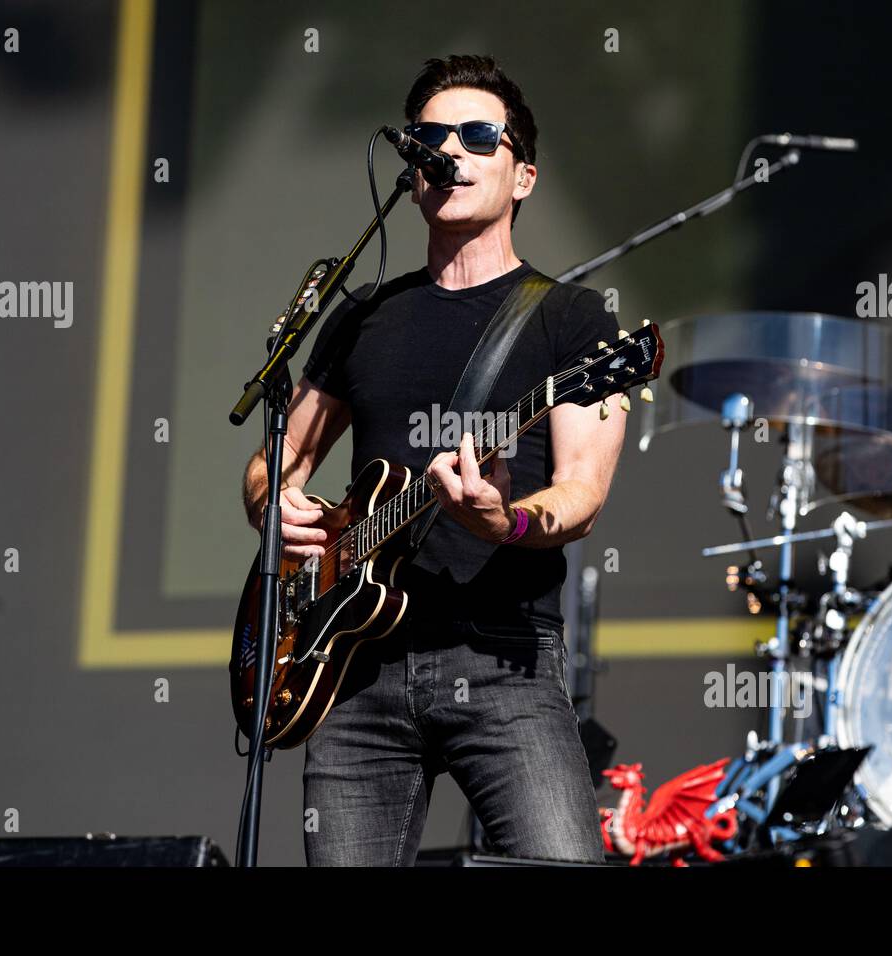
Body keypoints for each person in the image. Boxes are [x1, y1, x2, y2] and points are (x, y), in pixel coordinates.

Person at [243, 54, 627, 865]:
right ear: (412, 169)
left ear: (522, 175)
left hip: (501, 660)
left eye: (478, 135)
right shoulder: (364, 315)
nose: (448, 149)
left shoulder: (571, 321)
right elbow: (276, 465)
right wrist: (271, 504)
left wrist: (503, 517)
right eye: (429, 136)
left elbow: (582, 493)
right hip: (352, 662)